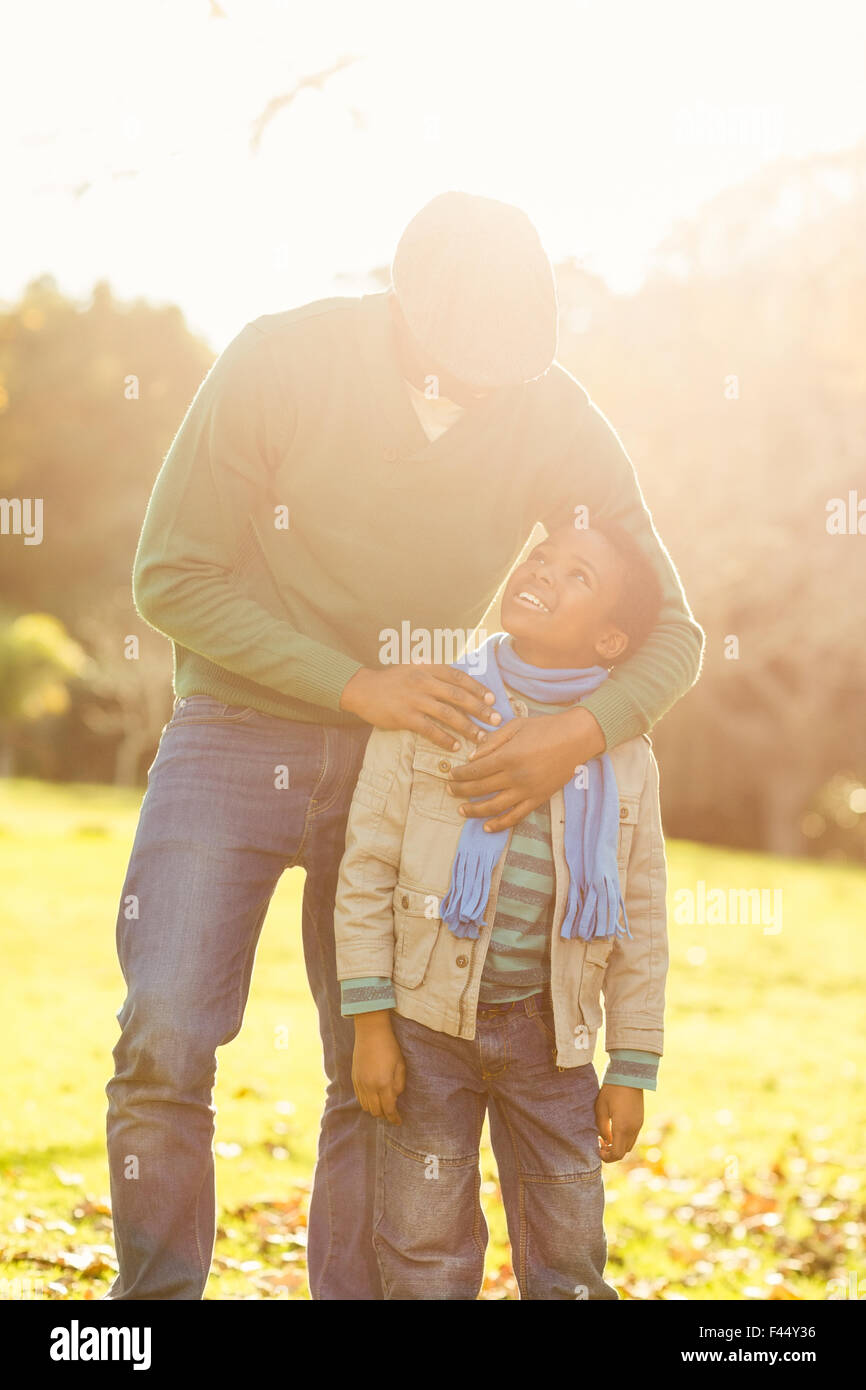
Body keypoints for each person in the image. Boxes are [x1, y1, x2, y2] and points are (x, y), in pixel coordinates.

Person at [105, 190, 702, 1300]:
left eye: (508, 351)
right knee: (167, 1036)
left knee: (372, 1069)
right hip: (236, 731)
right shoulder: (277, 362)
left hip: (419, 759)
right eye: (464, 346)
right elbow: (170, 576)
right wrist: (351, 682)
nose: (485, 376)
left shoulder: (551, 411)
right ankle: (151, 1307)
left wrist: (571, 736)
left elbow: (670, 630)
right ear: (403, 300)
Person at [336, 519, 670, 1299]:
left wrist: (632, 1066)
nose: (545, 572)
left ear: (612, 639)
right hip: (425, 1029)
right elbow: (367, 868)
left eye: (578, 575)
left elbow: (643, 920)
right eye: (542, 556)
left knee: (569, 1254)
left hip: (553, 1040)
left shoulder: (623, 752)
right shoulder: (437, 704)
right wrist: (371, 1021)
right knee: (423, 1247)